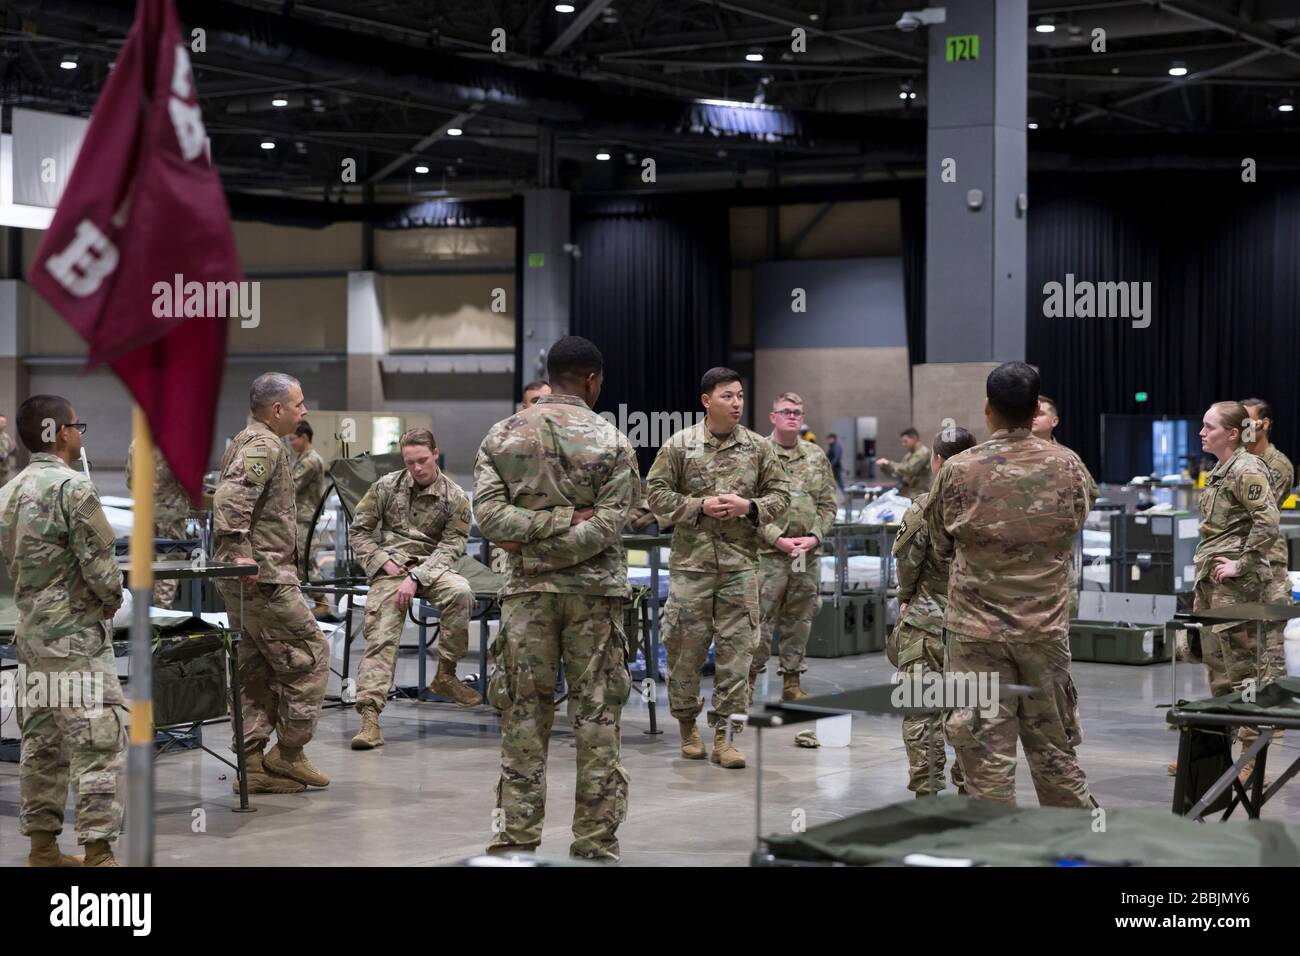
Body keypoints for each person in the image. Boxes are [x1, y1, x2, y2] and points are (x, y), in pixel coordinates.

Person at [474, 336, 635, 861]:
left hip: (526, 595)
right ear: (593, 380)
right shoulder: (613, 441)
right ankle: (594, 842)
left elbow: (492, 519)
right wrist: (569, 520)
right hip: (594, 597)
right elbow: (610, 525)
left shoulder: (501, 436)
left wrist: (536, 547)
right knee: (596, 719)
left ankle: (516, 839)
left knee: (523, 716)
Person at [928, 362, 1095, 807]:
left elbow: (939, 546)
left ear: (988, 409)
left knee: (984, 761)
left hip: (975, 634)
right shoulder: (1069, 466)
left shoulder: (959, 470)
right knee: (1055, 752)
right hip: (1043, 631)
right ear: (1036, 407)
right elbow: (1077, 521)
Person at [1, 395, 124, 866]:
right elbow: (102, 571)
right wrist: (111, 602)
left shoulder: (8, 493)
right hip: (76, 643)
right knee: (96, 743)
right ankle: (98, 854)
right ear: (61, 432)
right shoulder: (74, 490)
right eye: (79, 426)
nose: (81, 434)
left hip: (31, 640)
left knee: (42, 747)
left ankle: (43, 849)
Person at [646, 368, 790, 769]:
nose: (737, 403)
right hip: (691, 568)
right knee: (684, 651)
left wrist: (751, 507)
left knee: (738, 654)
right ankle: (688, 726)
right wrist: (697, 507)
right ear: (707, 400)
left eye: (740, 395)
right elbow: (655, 494)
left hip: (740, 566)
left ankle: (726, 737)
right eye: (728, 396)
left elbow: (782, 495)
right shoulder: (680, 444)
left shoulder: (760, 448)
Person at [213, 373, 330, 794]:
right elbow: (230, 498)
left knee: (254, 668)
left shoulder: (250, 440)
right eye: (299, 404)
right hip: (262, 579)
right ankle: (290, 752)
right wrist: (241, 553)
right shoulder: (263, 444)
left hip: (249, 577)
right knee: (312, 655)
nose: (305, 412)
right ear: (278, 410)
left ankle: (252, 764)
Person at [349, 427, 479, 748]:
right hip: (391, 567)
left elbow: (452, 547)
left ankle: (445, 675)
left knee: (461, 591)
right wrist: (381, 561)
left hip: (432, 567)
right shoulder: (385, 486)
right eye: (410, 462)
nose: (417, 468)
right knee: (382, 633)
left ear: (436, 454)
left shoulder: (455, 497)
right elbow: (359, 531)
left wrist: (417, 577)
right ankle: (370, 719)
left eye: (423, 460)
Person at [1178, 401, 1281, 778]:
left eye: (1209, 427)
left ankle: (1250, 757)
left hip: (1236, 587)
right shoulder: (1221, 469)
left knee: (1244, 673)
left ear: (1232, 433)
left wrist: (1243, 562)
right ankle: (1219, 756)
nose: (1202, 433)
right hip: (1212, 582)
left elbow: (1268, 522)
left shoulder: (1247, 469)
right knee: (1219, 672)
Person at [889, 425, 976, 797]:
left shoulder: (923, 507)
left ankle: (926, 788)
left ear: (936, 461)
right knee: (973, 705)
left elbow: (908, 563)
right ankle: (971, 783)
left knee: (922, 707)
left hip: (926, 618)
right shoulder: (987, 509)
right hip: (975, 622)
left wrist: (906, 597)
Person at [747, 393, 837, 704]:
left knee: (800, 619)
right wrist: (777, 538)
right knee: (758, 621)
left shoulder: (815, 456)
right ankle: (746, 685)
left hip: (805, 556)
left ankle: (792, 682)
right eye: (785, 411)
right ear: (773, 417)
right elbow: (749, 509)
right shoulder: (757, 453)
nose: (792, 416)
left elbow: (828, 505)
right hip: (769, 555)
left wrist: (814, 536)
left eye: (797, 412)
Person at [1242, 397, 1294, 689]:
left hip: (1267, 565)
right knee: (1246, 652)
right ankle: (1247, 722)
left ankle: (1272, 728)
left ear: (1265, 424)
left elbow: (1253, 509)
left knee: (1271, 650)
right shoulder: (1236, 462)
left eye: (1249, 421)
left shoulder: (1278, 465)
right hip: (1240, 566)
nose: (1244, 428)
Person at [1032, 395, 1098, 618]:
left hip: (1055, 558)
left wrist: (1067, 524)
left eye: (1040, 414)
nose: (1034, 418)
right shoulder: (1011, 454)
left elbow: (1090, 493)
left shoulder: (1068, 459)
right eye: (1032, 413)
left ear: (1054, 421)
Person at [125, 440, 192, 608]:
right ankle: (162, 612)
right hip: (171, 513)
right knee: (169, 564)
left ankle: (143, 612)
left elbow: (130, 480)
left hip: (144, 512)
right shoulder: (175, 442)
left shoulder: (137, 443)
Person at [288, 421, 326, 568]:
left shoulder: (310, 461)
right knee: (299, 564)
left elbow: (291, 486)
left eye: (293, 439)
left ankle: (319, 592)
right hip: (299, 517)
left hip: (304, 518)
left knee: (306, 565)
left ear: (304, 437)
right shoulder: (302, 458)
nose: (291, 444)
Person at [877, 428, 931, 500]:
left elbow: (909, 469)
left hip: (918, 494)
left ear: (914, 438)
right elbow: (900, 473)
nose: (903, 444)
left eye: (905, 441)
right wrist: (886, 468)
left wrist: (889, 463)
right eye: (902, 442)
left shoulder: (923, 453)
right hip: (907, 492)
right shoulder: (909, 455)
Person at [0, 414, 17, 485]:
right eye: (1, 422)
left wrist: (14, 449)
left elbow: (13, 452)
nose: (3, 424)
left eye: (4, 422)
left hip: (4, 471)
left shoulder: (6, 437)